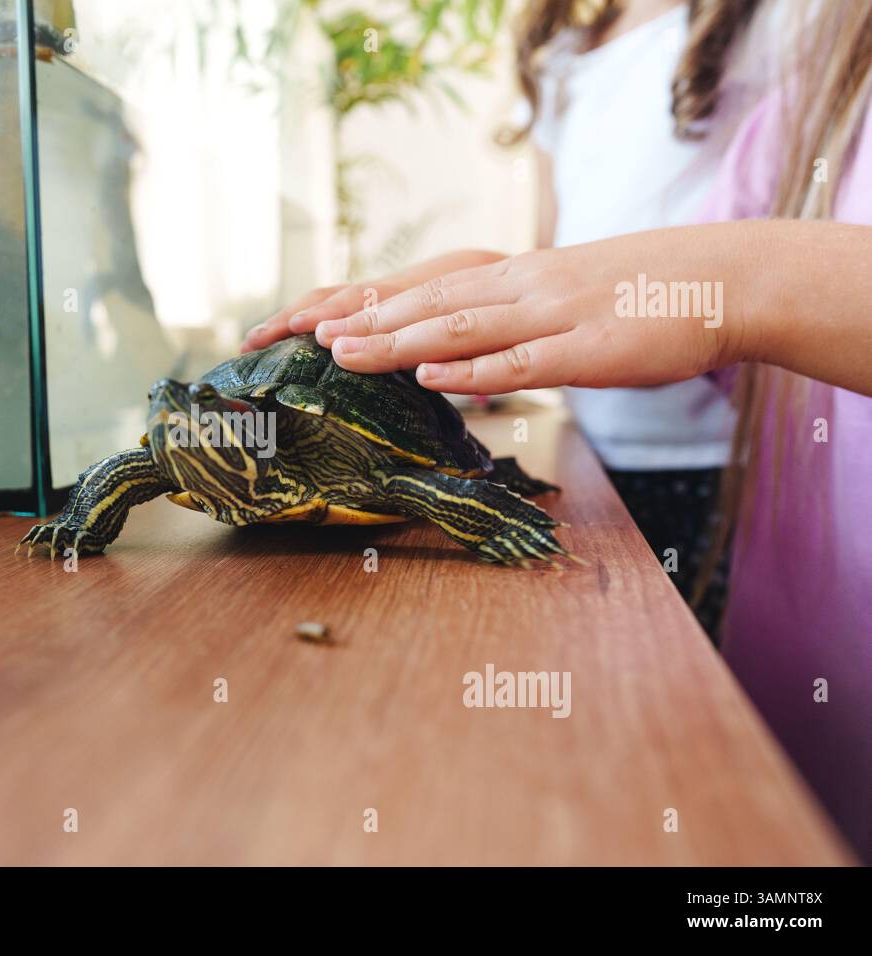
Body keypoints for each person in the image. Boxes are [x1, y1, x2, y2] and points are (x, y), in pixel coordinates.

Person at [255, 0, 872, 861]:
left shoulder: (791, 38)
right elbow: (674, 302)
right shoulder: (814, 99)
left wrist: (749, 281)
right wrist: (492, 288)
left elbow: (726, 285)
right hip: (785, 703)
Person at [245, 0, 781, 635]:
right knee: (604, 636)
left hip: (715, 453)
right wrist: (477, 298)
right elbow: (556, 264)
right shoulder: (560, 57)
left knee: (690, 656)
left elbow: (783, 261)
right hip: (592, 442)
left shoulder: (777, 25)